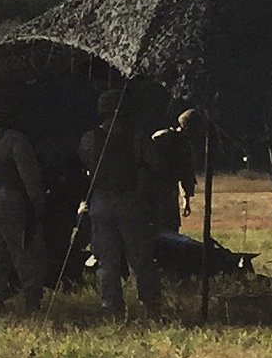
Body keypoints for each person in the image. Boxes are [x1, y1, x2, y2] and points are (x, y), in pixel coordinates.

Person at [79, 90, 162, 318]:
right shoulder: (137, 136)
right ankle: (150, 304)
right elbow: (154, 164)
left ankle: (111, 306)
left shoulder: (89, 138)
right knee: (139, 257)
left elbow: (85, 164)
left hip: (100, 203)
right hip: (130, 201)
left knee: (106, 259)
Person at [0, 93, 47, 313]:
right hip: (9, 199)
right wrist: (37, 204)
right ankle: (32, 300)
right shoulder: (16, 139)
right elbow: (29, 176)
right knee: (24, 250)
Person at [149, 109, 204, 233]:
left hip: (168, 191)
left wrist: (186, 199)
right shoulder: (164, 138)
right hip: (155, 190)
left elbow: (187, 175)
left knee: (169, 227)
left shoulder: (171, 140)